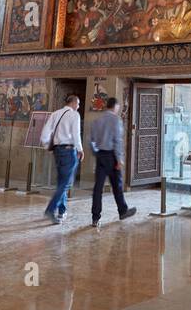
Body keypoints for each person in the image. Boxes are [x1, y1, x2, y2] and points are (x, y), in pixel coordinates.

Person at [88, 97, 136, 227]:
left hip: (100, 156)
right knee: (117, 186)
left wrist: (96, 154)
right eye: (118, 108)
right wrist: (119, 159)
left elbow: (91, 141)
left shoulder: (96, 121)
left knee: (98, 188)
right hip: (111, 156)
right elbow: (117, 141)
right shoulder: (116, 120)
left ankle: (95, 217)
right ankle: (122, 211)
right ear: (115, 106)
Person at [39, 94, 84, 225]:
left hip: (57, 151)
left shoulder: (55, 114)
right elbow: (76, 134)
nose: (79, 106)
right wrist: (80, 149)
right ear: (74, 103)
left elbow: (44, 134)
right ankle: (50, 209)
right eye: (79, 104)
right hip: (69, 151)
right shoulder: (74, 115)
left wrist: (47, 146)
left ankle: (62, 211)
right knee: (65, 184)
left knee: (61, 182)